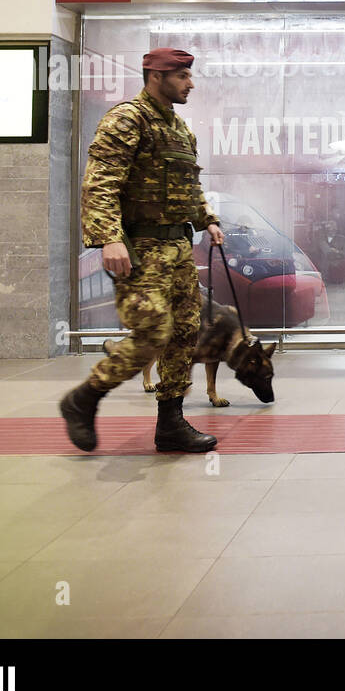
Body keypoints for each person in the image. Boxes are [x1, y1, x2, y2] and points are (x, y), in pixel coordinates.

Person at [59, 48, 225, 453]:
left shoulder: (180, 130)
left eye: (190, 75)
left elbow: (189, 186)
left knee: (185, 333)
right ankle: (84, 398)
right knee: (153, 332)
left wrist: (208, 219)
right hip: (142, 247)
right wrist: (108, 237)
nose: (190, 83)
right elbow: (101, 181)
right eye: (183, 75)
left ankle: (171, 422)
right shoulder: (127, 118)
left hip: (178, 246)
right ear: (157, 75)